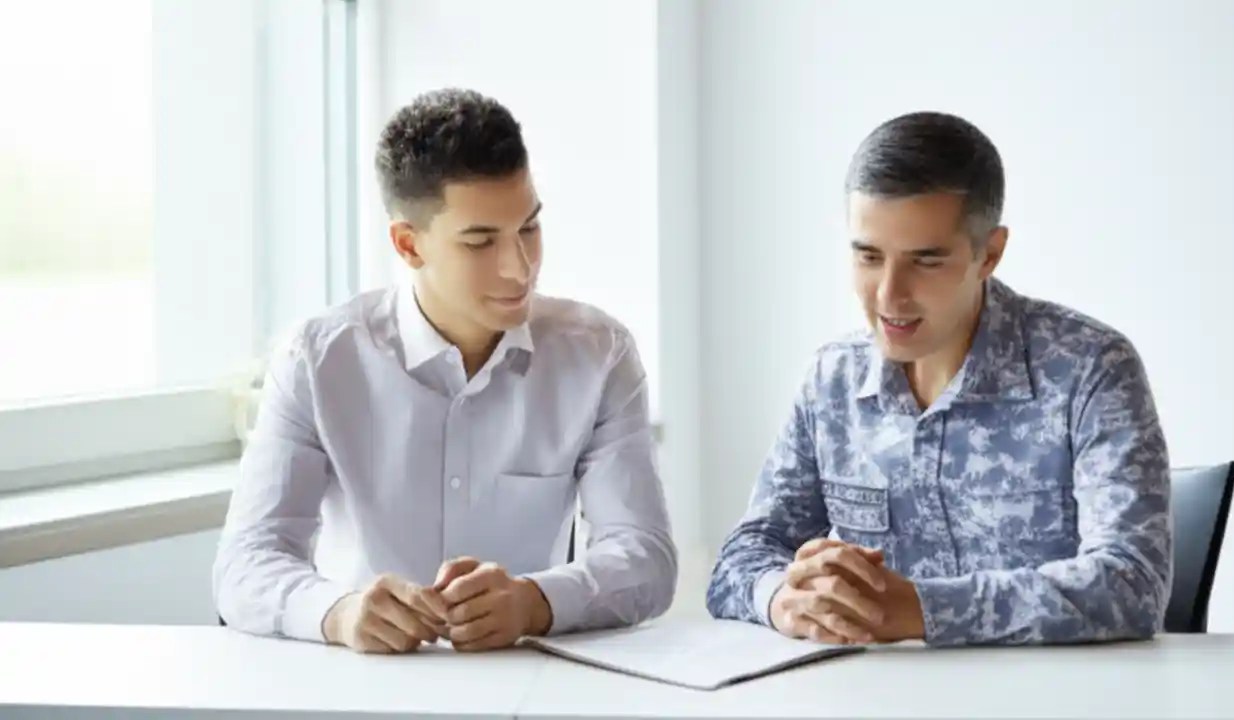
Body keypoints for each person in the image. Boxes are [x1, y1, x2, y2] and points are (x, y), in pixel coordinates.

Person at [214, 88, 676, 653]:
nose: (520, 268)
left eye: (529, 229)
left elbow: (646, 558)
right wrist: (338, 612)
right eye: (481, 242)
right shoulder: (317, 360)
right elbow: (244, 566)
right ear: (409, 244)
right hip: (358, 681)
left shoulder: (599, 355)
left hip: (525, 678)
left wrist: (535, 600)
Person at [706, 111, 1171, 646]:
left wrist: (923, 610)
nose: (889, 295)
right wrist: (782, 599)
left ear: (989, 254)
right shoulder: (832, 381)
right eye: (869, 257)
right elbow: (740, 561)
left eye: (925, 261)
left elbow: (1132, 583)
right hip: (874, 689)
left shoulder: (1089, 368)